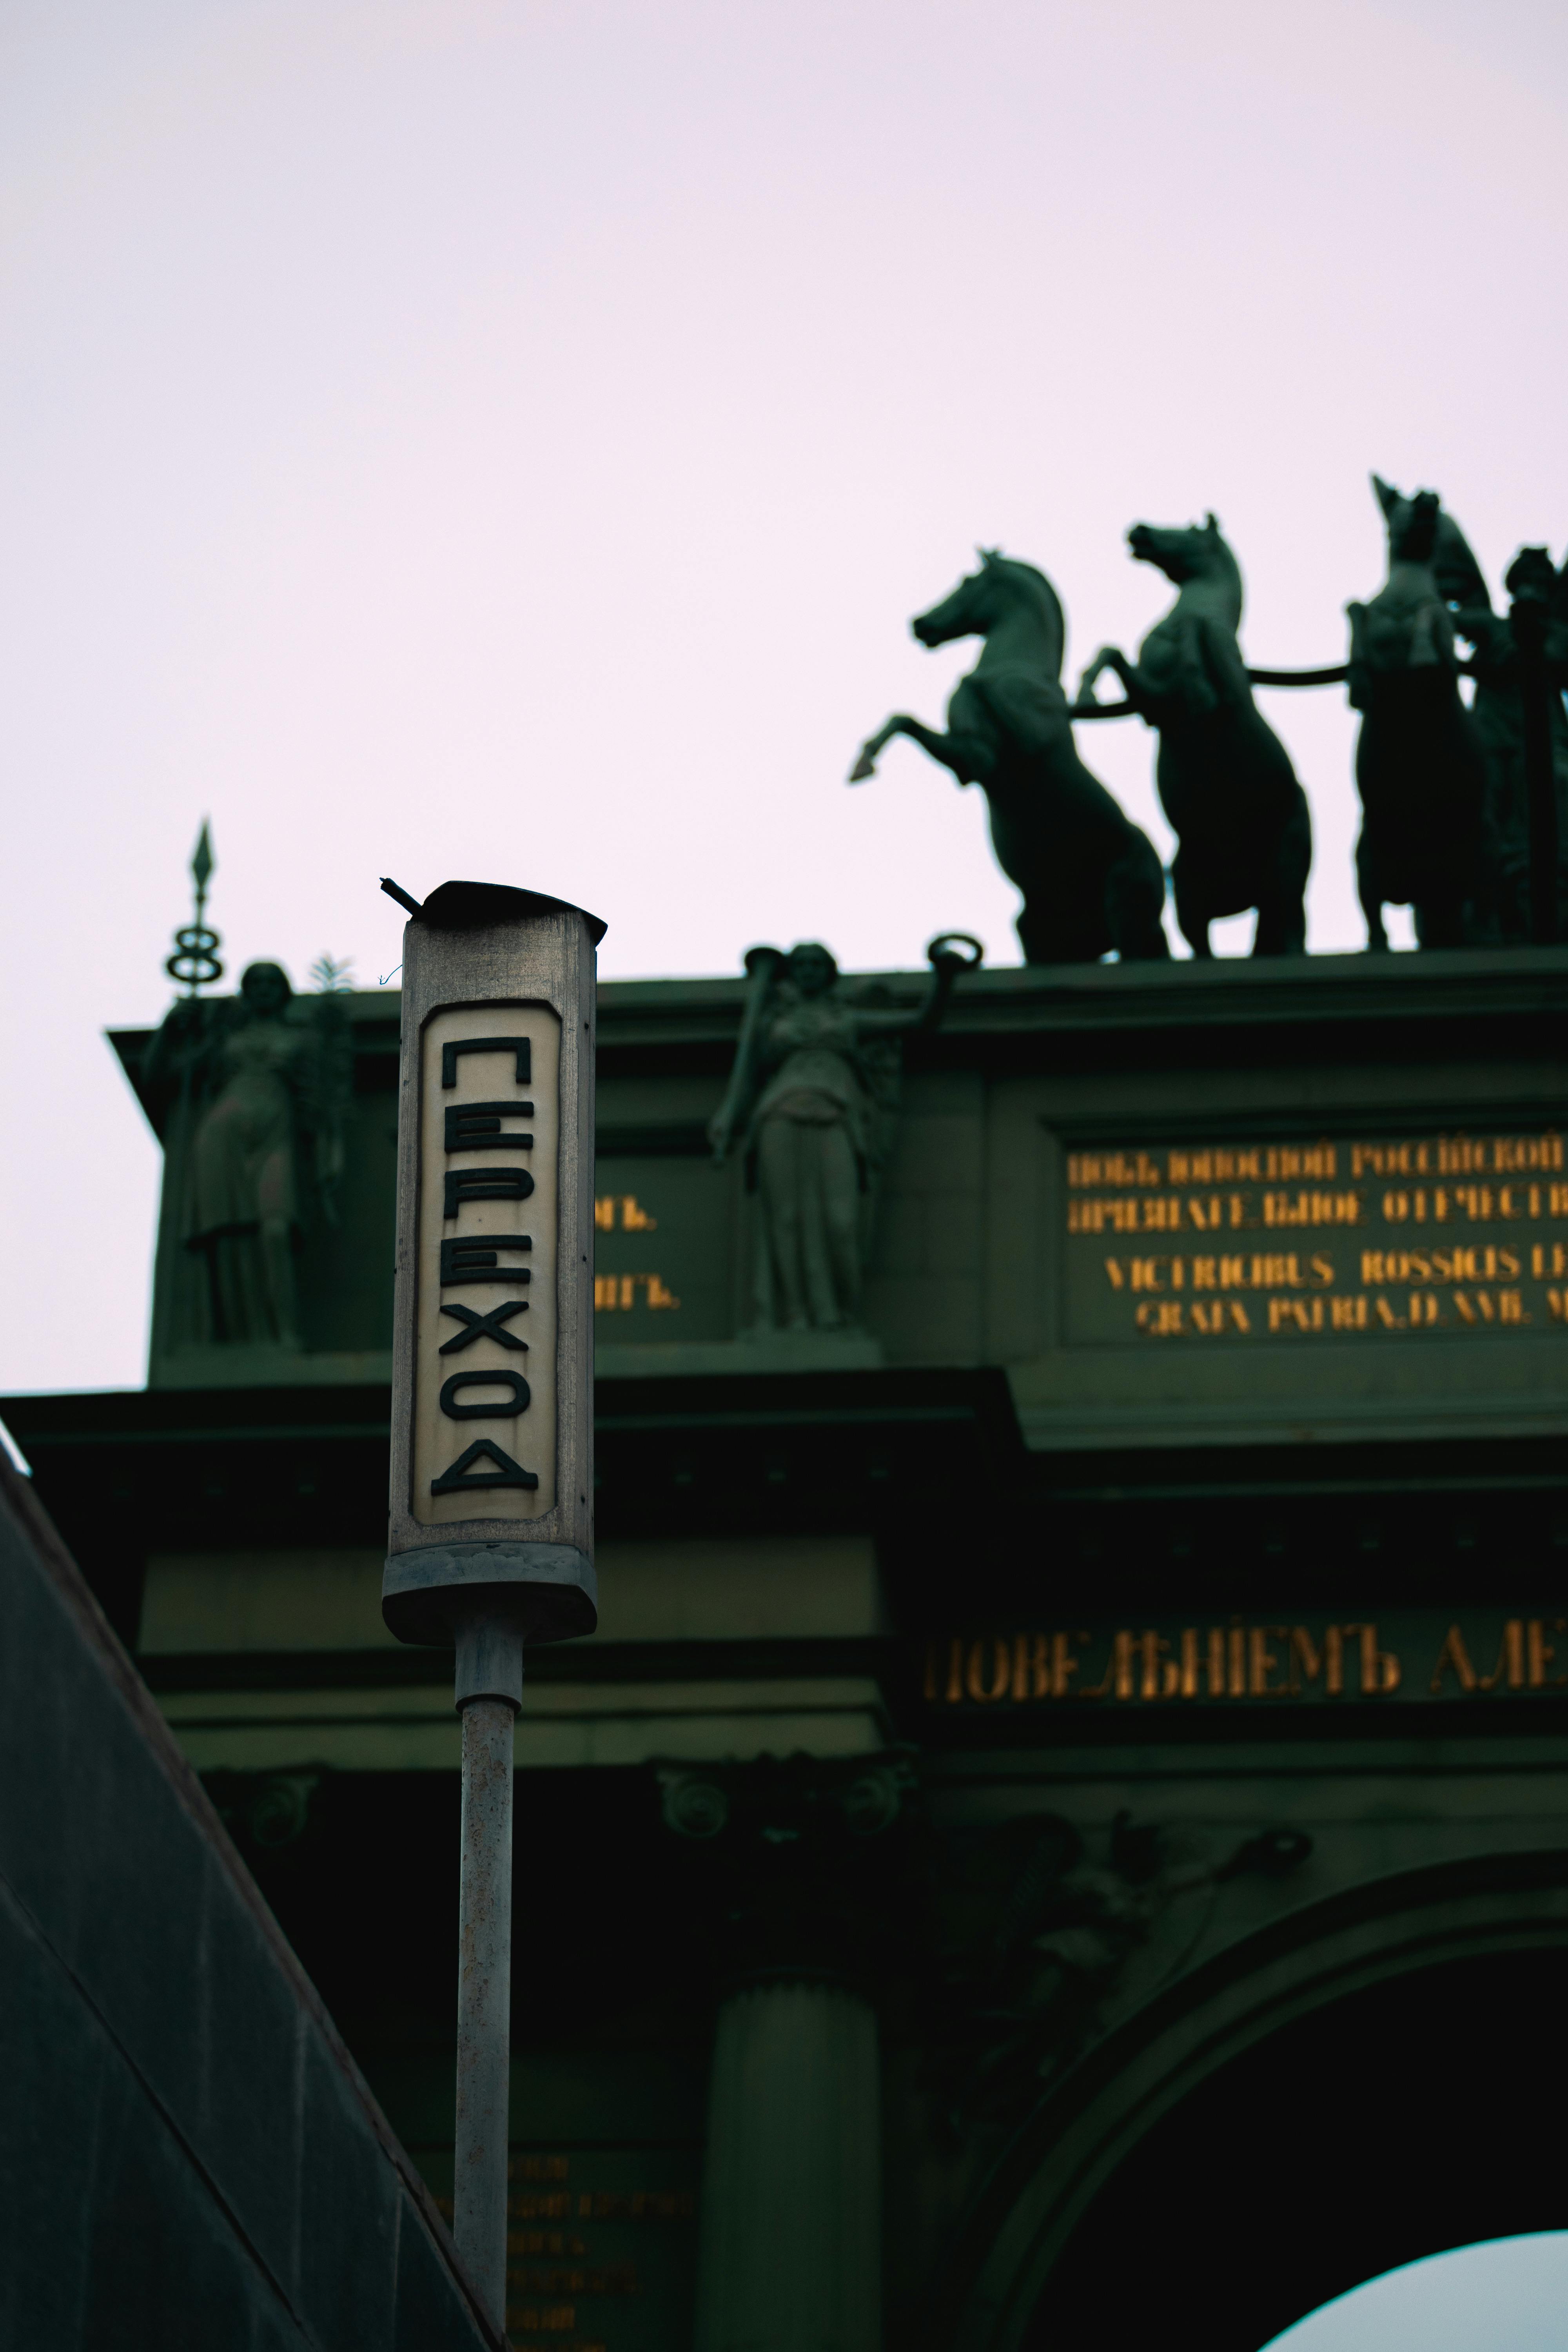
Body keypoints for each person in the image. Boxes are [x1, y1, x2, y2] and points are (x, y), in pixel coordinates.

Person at [708, 936, 978, 1334]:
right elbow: (747, 1074)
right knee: (784, 1219)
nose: (809, 971)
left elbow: (922, 1022)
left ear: (830, 973)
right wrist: (727, 1116)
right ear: (792, 973)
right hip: (778, 1114)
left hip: (836, 1115)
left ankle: (836, 1311)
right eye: (801, 965)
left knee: (841, 1222)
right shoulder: (770, 1023)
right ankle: (795, 1314)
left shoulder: (848, 1020)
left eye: (817, 964)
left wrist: (945, 977)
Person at [147, 962, 345, 1348]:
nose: (264, 989)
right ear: (245, 992)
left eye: (273, 982)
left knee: (275, 1229)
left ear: (285, 991)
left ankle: (283, 1333)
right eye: (255, 982)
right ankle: (227, 1337)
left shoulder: (302, 1039)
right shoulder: (223, 1042)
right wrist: (170, 1027)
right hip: (220, 1135)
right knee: (224, 1233)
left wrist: (327, 1152)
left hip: (275, 1133)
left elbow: (321, 1105)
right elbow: (161, 1076)